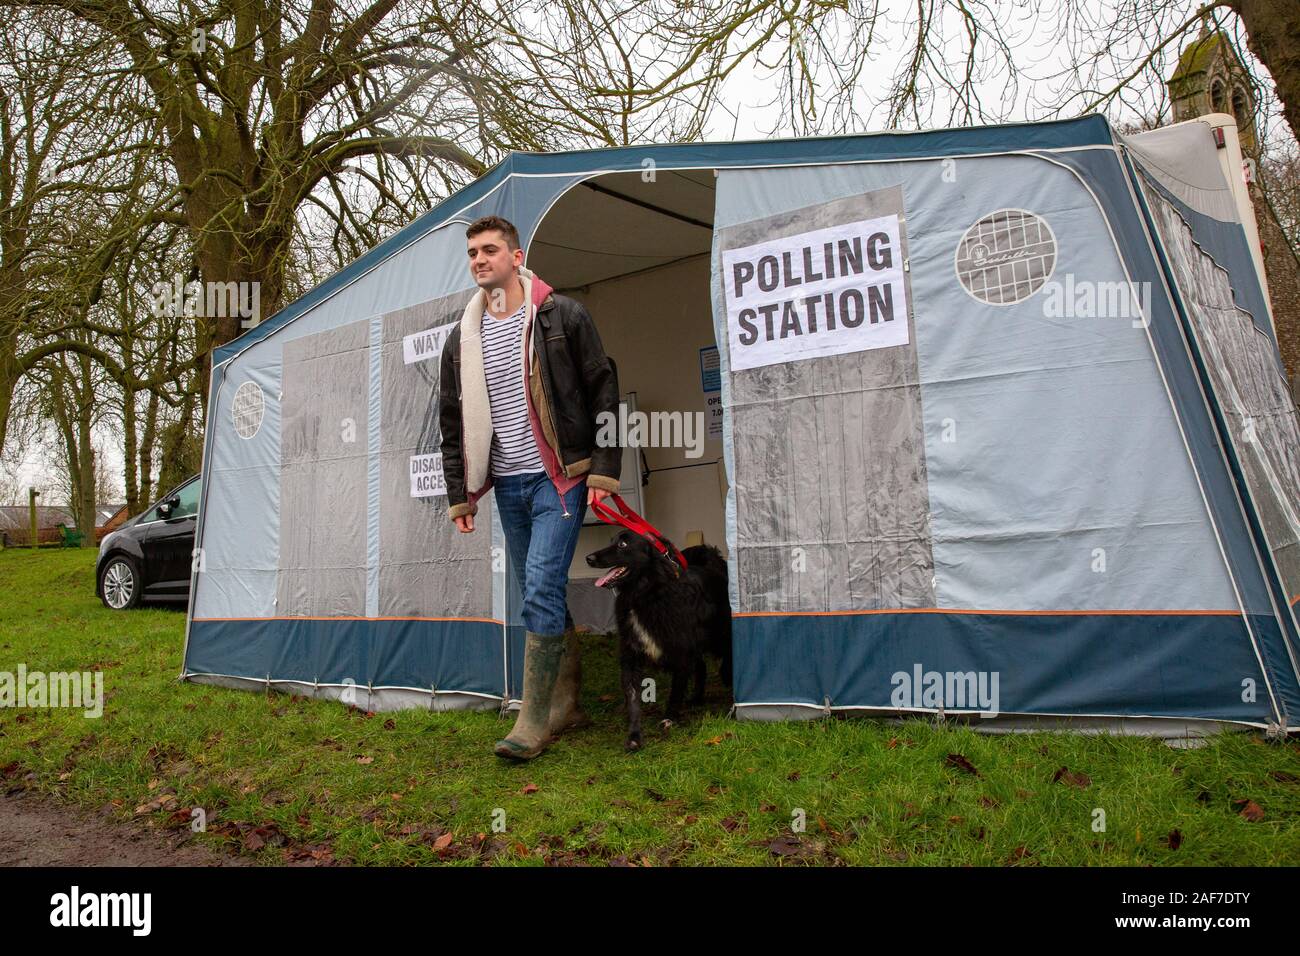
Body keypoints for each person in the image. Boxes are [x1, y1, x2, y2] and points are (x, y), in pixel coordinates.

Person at [438, 215, 621, 760]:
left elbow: (602, 391)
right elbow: (452, 420)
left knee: (540, 585)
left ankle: (532, 719)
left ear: (516, 257)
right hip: (508, 486)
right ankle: (565, 703)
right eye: (472, 252)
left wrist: (604, 473)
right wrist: (460, 494)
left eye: (490, 250)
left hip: (559, 479)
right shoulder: (461, 339)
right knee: (539, 590)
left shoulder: (562, 316)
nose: (479, 260)